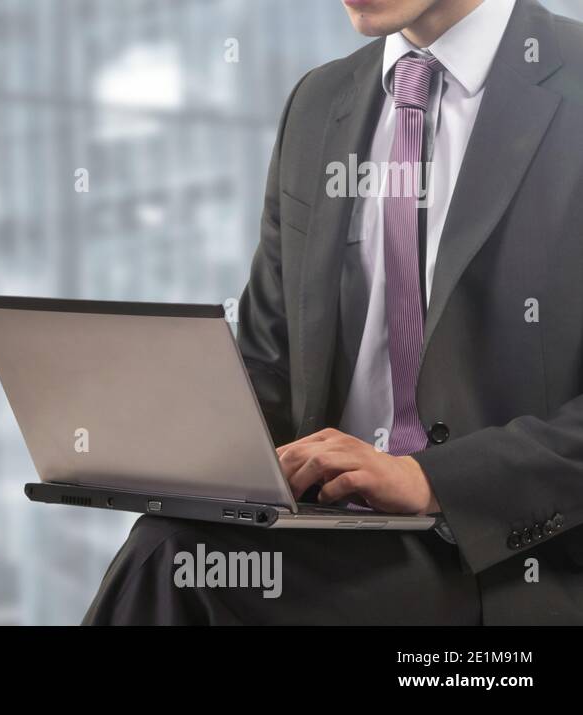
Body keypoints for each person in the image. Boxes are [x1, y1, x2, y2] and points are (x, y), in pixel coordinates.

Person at [85, 0, 583, 625]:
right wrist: (169, 446)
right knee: (172, 547)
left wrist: (432, 480)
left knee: (178, 572)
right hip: (341, 533)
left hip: (521, 559)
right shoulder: (320, 104)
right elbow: (271, 361)